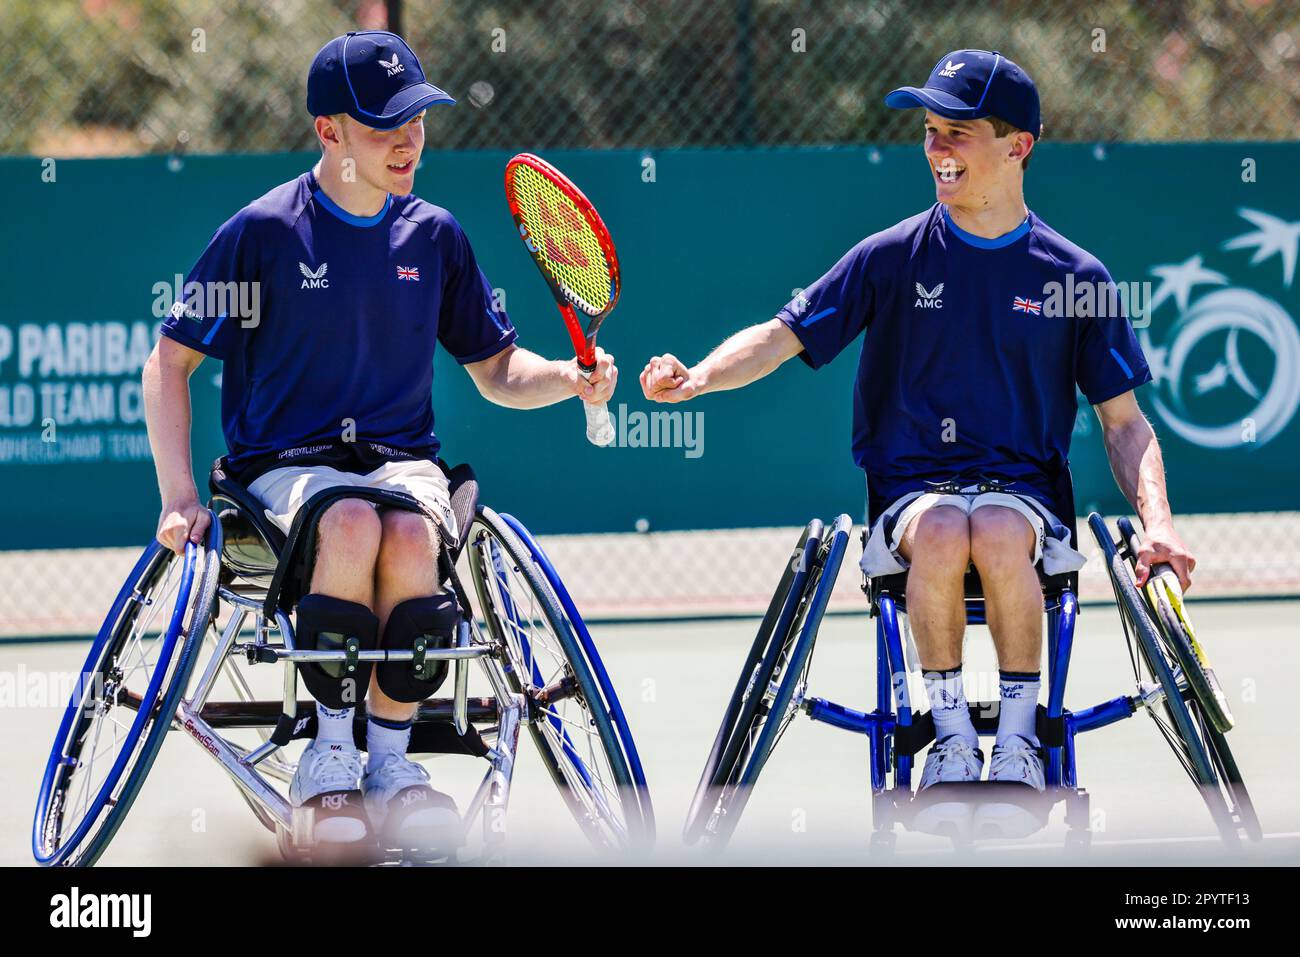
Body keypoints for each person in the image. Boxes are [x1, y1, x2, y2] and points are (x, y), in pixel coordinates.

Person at [640, 50, 1194, 837]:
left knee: (997, 525)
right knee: (942, 526)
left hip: (1024, 501)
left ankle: (1016, 743)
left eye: (958, 133)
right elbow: (779, 336)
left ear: (1017, 146)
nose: (937, 148)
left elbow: (1124, 422)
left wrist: (1160, 522)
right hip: (913, 499)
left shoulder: (1077, 276)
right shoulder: (890, 256)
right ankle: (950, 738)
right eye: (931, 131)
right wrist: (697, 377)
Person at [143, 31, 617, 855]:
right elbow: (169, 361)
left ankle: (391, 765)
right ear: (329, 132)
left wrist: (569, 379)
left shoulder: (435, 237)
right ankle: (329, 756)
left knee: (404, 529)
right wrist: (179, 495)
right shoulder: (261, 234)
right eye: (384, 125)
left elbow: (499, 369)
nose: (408, 142)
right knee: (354, 521)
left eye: (419, 121)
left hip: (400, 465)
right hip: (282, 470)